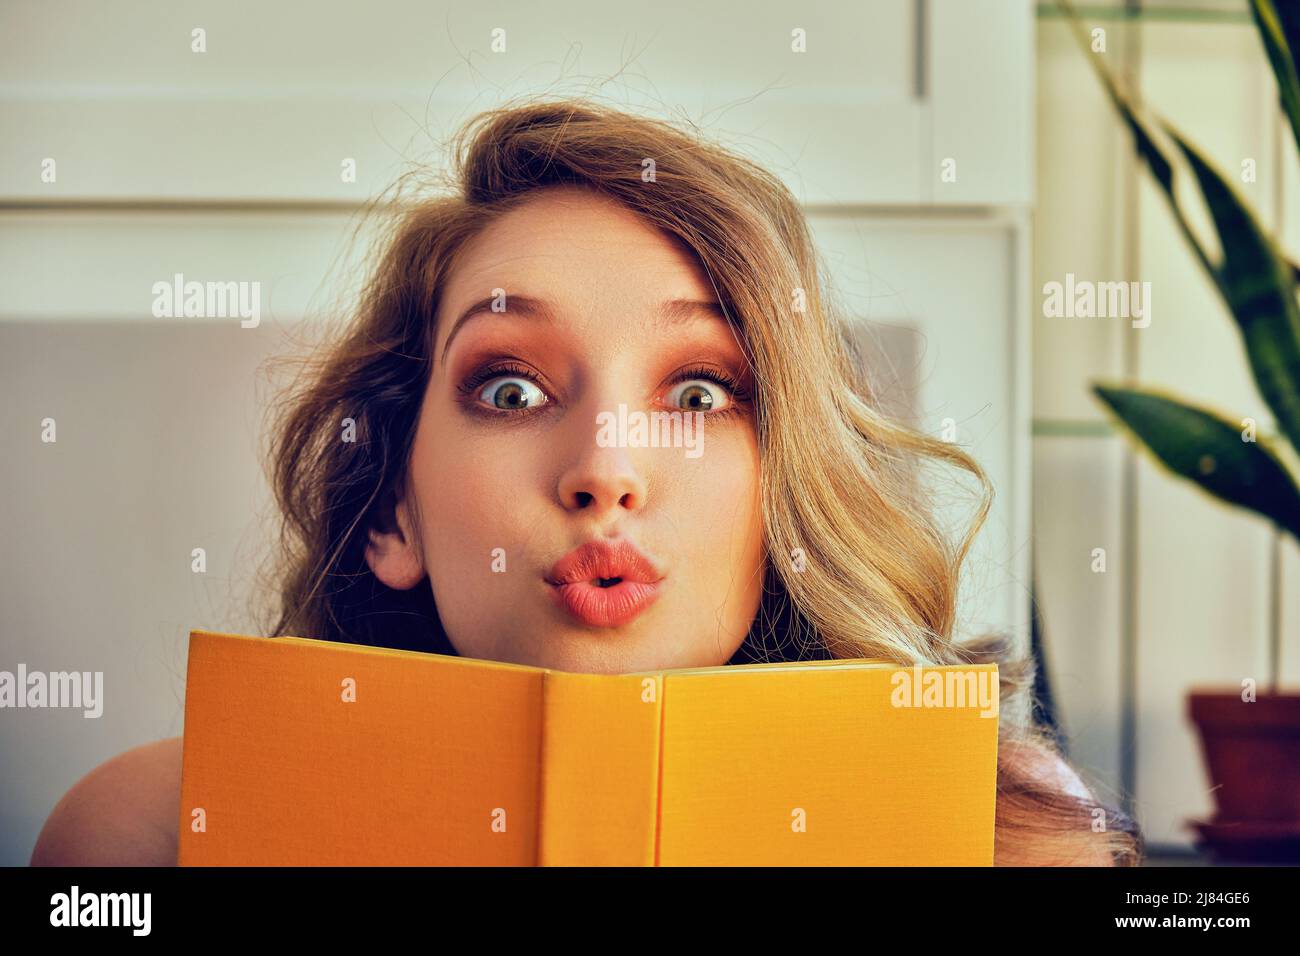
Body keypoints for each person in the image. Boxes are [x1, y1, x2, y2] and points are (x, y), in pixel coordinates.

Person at [31, 98, 1141, 867]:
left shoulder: (1008, 837)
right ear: (394, 512)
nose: (604, 467)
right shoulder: (160, 830)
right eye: (509, 391)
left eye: (699, 393)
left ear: (784, 497)